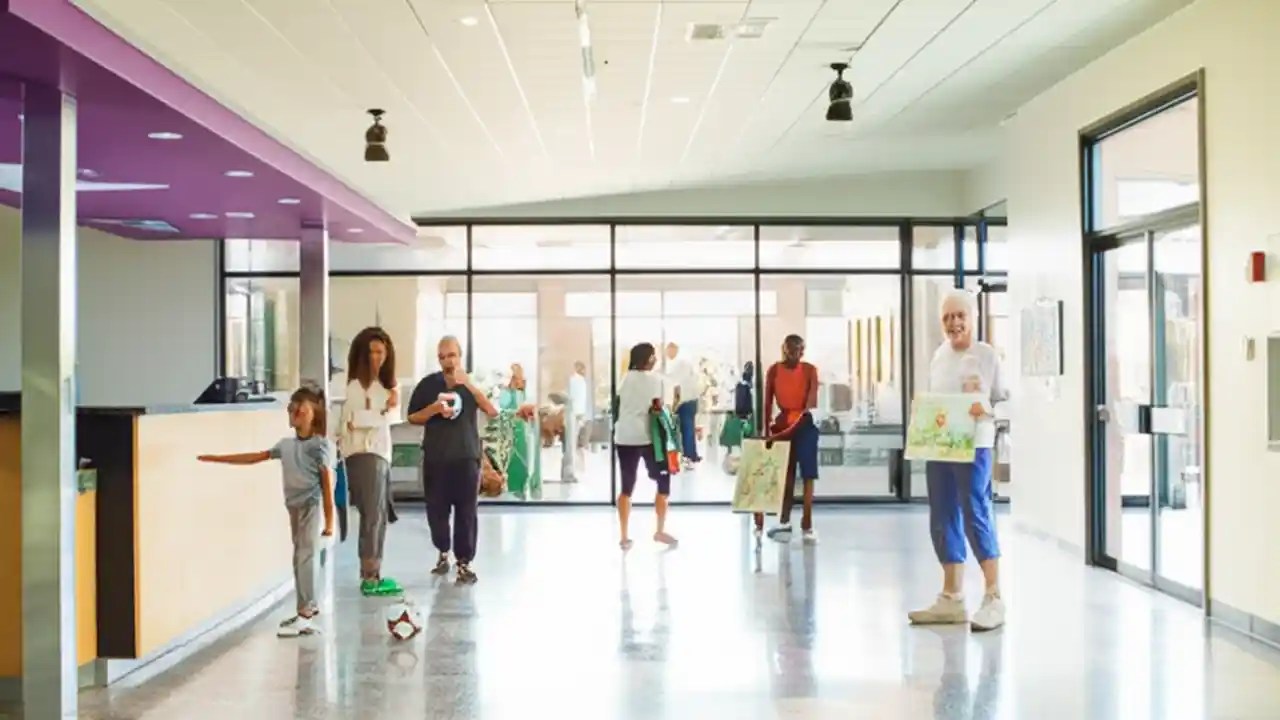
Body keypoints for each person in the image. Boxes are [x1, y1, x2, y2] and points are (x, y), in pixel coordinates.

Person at [908, 289, 1009, 632]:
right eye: (947, 317)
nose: (954, 323)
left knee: (974, 512)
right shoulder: (939, 356)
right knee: (943, 516)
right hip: (940, 446)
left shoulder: (987, 355)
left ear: (972, 317)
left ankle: (994, 596)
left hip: (974, 446)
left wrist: (989, 410)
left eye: (959, 316)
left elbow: (1006, 401)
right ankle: (952, 597)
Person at [198, 386, 334, 637]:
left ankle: (307, 611)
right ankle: (304, 608)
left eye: (301, 410)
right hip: (294, 506)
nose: (295, 414)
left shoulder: (319, 446)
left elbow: (327, 483)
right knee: (299, 556)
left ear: (314, 414)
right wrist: (216, 458)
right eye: (292, 409)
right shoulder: (285, 446)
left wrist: (329, 521)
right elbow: (255, 457)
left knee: (306, 556)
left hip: (310, 505)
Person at [407, 336, 499, 585]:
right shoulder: (428, 385)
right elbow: (412, 417)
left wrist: (468, 385)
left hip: (467, 458)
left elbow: (491, 411)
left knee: (467, 513)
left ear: (460, 356)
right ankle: (442, 550)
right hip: (436, 459)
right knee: (437, 510)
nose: (448, 360)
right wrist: (434, 409)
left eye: (452, 355)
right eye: (443, 356)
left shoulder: (470, 385)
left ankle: (464, 562)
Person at [337, 327, 402, 597]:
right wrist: (380, 413)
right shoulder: (350, 386)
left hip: (382, 455)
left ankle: (374, 572)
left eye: (381, 352)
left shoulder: (389, 388)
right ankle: (369, 576)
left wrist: (378, 413)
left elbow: (391, 419)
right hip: (362, 456)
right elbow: (348, 423)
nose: (376, 357)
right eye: (372, 352)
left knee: (379, 516)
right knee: (372, 516)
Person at [753, 335, 821, 545]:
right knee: (786, 472)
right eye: (791, 349)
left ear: (804, 350)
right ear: (784, 349)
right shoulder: (774, 370)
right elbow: (766, 404)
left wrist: (798, 418)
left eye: (800, 349)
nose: (795, 353)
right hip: (782, 425)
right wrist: (765, 431)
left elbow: (812, 401)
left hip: (804, 424)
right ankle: (784, 520)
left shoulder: (810, 370)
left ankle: (807, 522)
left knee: (809, 473)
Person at [615, 343, 677, 550]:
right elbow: (660, 406)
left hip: (624, 437)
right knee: (663, 482)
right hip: (649, 438)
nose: (656, 360)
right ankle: (659, 530)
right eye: (654, 357)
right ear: (649, 359)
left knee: (626, 487)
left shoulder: (623, 380)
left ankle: (624, 537)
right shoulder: (656, 380)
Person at [664, 342, 702, 468]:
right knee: (689, 428)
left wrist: (674, 405)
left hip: (685, 401)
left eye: (668, 350)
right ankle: (691, 455)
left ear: (674, 349)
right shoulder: (684, 362)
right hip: (692, 399)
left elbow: (677, 387)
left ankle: (688, 456)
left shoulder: (679, 363)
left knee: (685, 429)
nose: (667, 353)